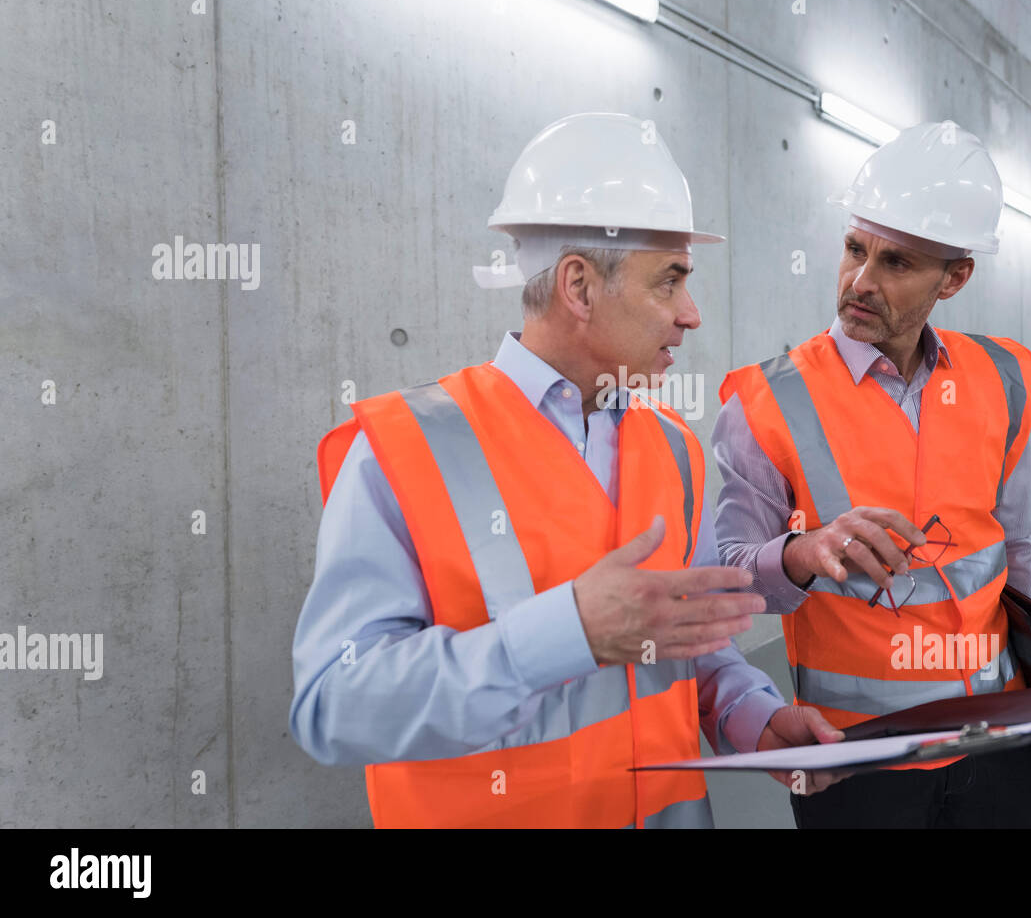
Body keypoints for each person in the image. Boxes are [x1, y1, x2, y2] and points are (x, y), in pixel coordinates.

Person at [289, 112, 841, 828]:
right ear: (579, 287)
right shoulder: (404, 450)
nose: (692, 313)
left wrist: (756, 719)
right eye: (669, 281)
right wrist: (567, 631)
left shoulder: (673, 446)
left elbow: (695, 648)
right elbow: (333, 704)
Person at [712, 119, 1031, 828]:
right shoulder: (765, 403)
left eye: (898, 263)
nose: (860, 281)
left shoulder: (1001, 378)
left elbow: (1019, 544)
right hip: (855, 763)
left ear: (956, 276)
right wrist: (800, 553)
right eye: (856, 248)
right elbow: (728, 576)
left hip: (1000, 741)